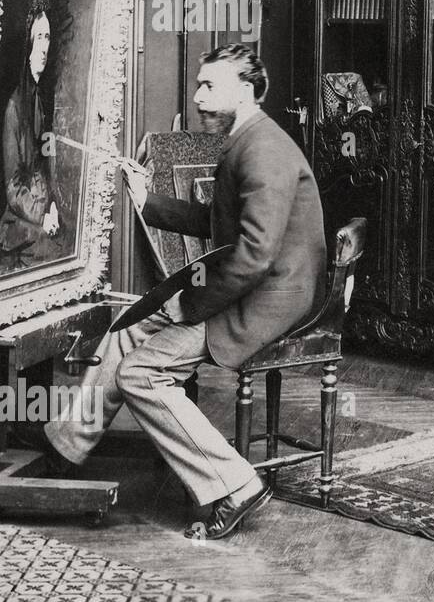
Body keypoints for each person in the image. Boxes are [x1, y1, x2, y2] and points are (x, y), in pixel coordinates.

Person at [28, 44, 328, 540]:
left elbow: (252, 257)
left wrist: (187, 305)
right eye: (197, 85)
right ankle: (66, 446)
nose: (198, 98)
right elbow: (223, 225)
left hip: (270, 299)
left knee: (141, 373)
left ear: (247, 91)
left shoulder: (264, 150)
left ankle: (235, 484)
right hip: (248, 285)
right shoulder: (245, 138)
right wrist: (150, 202)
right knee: (128, 329)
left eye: (210, 86)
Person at [0, 0, 62, 271]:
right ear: (27, 44)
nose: (43, 47)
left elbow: (46, 163)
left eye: (47, 37)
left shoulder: (43, 98)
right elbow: (13, 187)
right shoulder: (15, 107)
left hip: (43, 215)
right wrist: (41, 216)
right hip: (19, 227)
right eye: (38, 38)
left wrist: (52, 207)